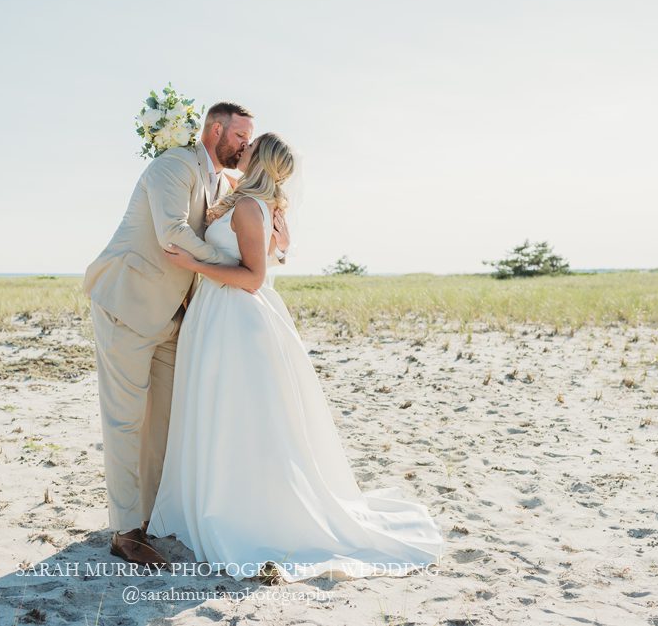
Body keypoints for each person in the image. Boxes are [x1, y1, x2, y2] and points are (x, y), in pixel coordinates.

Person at [149, 132, 444, 582]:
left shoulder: (250, 207)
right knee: (219, 412)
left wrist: (193, 266)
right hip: (216, 313)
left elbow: (252, 278)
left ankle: (242, 511)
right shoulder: (244, 200)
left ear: (260, 158)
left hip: (236, 316)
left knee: (241, 417)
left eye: (249, 146)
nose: (241, 149)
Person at [82, 102, 290, 567]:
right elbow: (172, 232)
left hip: (178, 316)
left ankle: (153, 516)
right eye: (240, 136)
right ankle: (126, 530)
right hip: (128, 304)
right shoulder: (173, 165)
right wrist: (234, 271)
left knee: (167, 423)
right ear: (215, 129)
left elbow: (258, 216)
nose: (245, 144)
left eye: (249, 139)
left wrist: (277, 232)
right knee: (126, 421)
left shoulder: (222, 182)